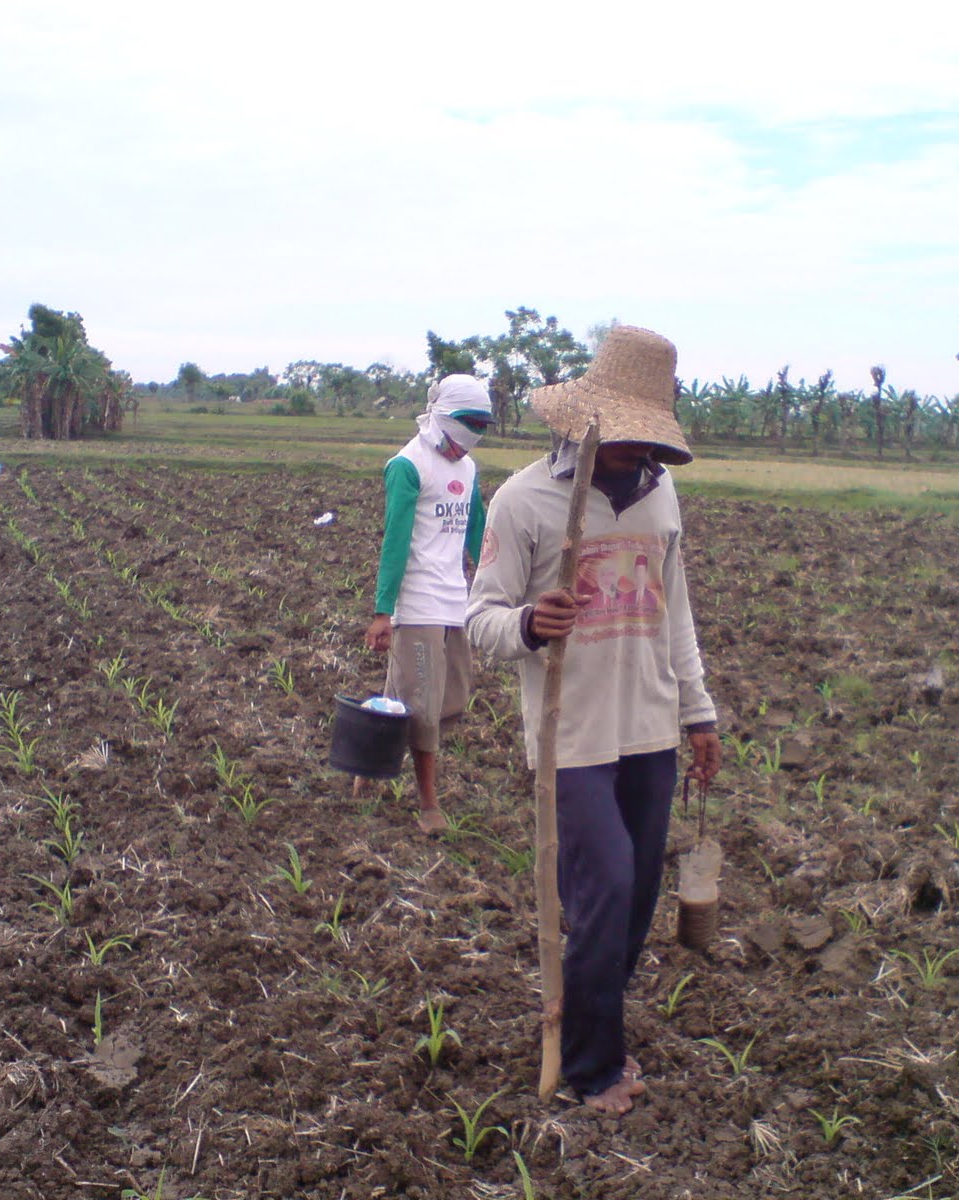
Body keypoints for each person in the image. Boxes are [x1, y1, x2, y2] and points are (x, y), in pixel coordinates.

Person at [465, 325, 723, 1116]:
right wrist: (532, 625)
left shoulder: (661, 497)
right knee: (604, 887)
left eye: (652, 443)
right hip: (569, 738)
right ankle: (591, 1070)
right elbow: (477, 621)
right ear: (589, 423)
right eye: (628, 439)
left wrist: (699, 712)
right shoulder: (525, 500)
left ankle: (596, 1028)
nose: (640, 455)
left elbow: (673, 611)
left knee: (637, 896)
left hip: (649, 728)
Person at [365, 374, 492, 834]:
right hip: (417, 602)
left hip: (454, 599)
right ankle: (427, 804)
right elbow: (394, 541)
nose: (472, 434)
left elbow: (475, 526)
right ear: (440, 416)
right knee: (422, 704)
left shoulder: (469, 468)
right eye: (467, 422)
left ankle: (366, 764)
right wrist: (384, 611)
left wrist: (491, 575)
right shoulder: (407, 465)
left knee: (447, 697)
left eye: (482, 424)